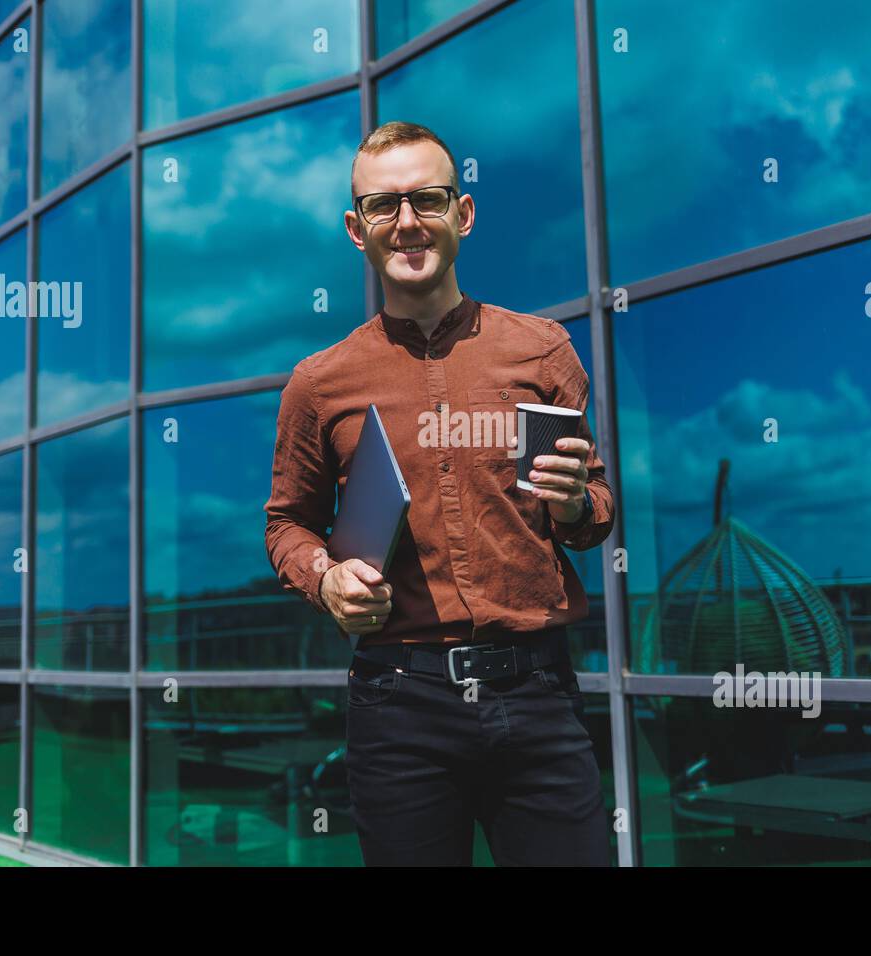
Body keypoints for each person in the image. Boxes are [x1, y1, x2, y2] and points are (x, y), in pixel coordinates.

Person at [263, 121, 615, 866]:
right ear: (358, 231)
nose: (407, 222)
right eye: (384, 207)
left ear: (463, 214)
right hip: (399, 707)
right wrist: (325, 579)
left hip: (538, 695)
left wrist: (577, 506)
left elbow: (597, 510)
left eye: (426, 199)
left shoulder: (541, 348)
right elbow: (288, 523)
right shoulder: (319, 383)